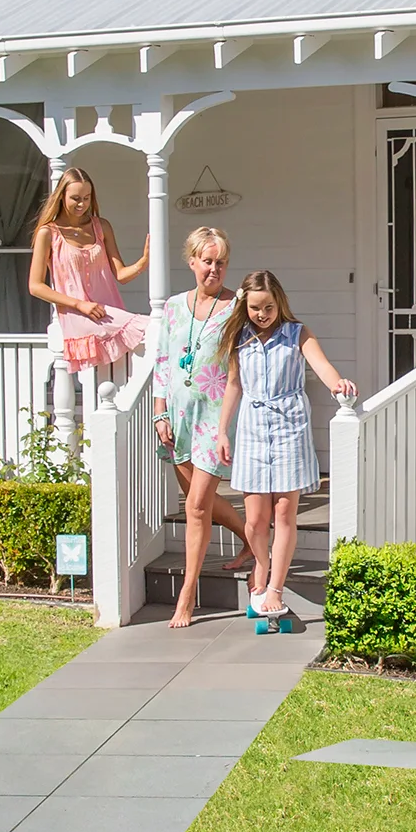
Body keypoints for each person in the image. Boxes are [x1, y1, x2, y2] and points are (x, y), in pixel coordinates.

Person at [214, 270, 355, 622]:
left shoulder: (297, 334)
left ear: (280, 302)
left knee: (283, 514)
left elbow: (322, 367)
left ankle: (274, 586)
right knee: (256, 521)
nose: (262, 314)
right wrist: (222, 431)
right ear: (245, 307)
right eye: (255, 308)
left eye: (269, 307)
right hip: (251, 429)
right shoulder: (239, 338)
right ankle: (262, 565)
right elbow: (234, 385)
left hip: (290, 425)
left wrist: (339, 384)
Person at [149, 225, 253, 626]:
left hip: (214, 420)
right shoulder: (174, 306)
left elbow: (236, 372)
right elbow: (162, 361)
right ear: (192, 261)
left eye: (221, 262)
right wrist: (160, 413)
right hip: (177, 419)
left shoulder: (236, 307)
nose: (214, 269)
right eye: (207, 261)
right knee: (200, 501)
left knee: (195, 508)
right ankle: (255, 543)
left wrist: (227, 427)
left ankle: (187, 595)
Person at [27, 167, 148, 374]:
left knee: (117, 373)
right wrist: (80, 304)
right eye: (75, 198)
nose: (82, 204)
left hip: (107, 312)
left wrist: (143, 262)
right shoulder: (48, 233)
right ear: (61, 196)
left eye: (87, 197)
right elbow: (35, 286)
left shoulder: (101, 227)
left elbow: (120, 275)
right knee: (150, 326)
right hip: (78, 314)